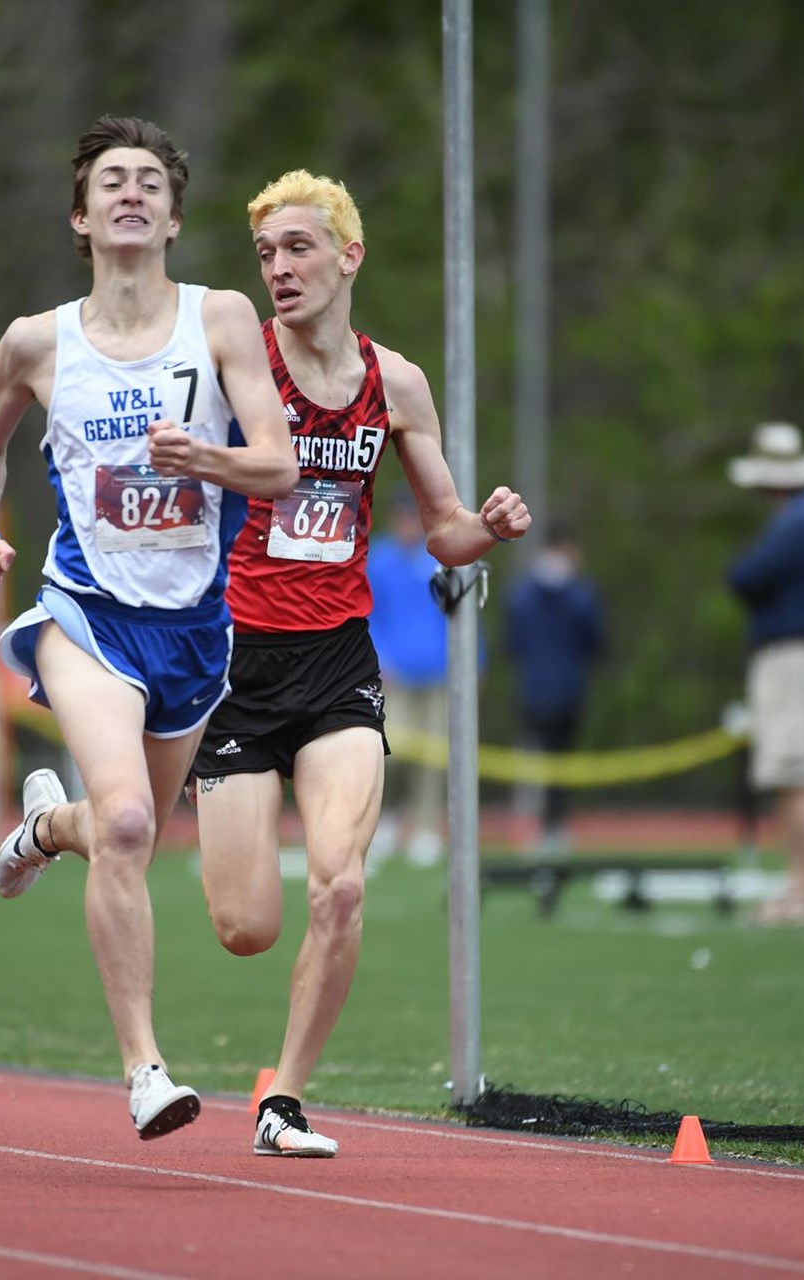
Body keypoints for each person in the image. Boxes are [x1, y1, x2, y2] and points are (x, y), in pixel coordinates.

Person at [0, 115, 297, 1142]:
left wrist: (211, 462)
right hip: (83, 610)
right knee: (133, 826)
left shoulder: (225, 320)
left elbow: (278, 464)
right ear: (82, 212)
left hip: (193, 628)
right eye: (113, 179)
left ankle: (37, 827)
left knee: (117, 835)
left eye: (151, 180)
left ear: (175, 216)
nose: (132, 192)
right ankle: (146, 1068)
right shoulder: (36, 340)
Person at [191, 168, 529, 1155]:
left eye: (297, 248)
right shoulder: (239, 367)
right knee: (245, 926)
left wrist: (489, 526)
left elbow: (446, 532)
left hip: (339, 659)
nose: (279, 269)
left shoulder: (400, 383)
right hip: (237, 663)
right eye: (264, 254)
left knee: (339, 886)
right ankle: (70, 821)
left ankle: (283, 1097)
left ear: (349, 254)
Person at [723, 423, 804, 926]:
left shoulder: (801, 522)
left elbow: (746, 575)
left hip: (797, 656)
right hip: (794, 655)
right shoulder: (802, 519)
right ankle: (801, 882)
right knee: (789, 774)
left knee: (797, 773)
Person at [364, 493, 454, 866]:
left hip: (438, 673)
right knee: (391, 752)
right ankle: (384, 820)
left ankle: (426, 826)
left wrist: (471, 661)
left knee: (434, 757)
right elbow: (367, 612)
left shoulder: (439, 559)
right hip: (394, 675)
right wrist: (379, 657)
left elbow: (459, 612)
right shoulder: (379, 561)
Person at [505, 521, 605, 856]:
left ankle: (544, 823)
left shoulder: (522, 592)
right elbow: (595, 640)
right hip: (566, 688)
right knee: (558, 760)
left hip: (533, 687)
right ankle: (552, 825)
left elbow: (514, 642)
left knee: (543, 760)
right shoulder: (580, 595)